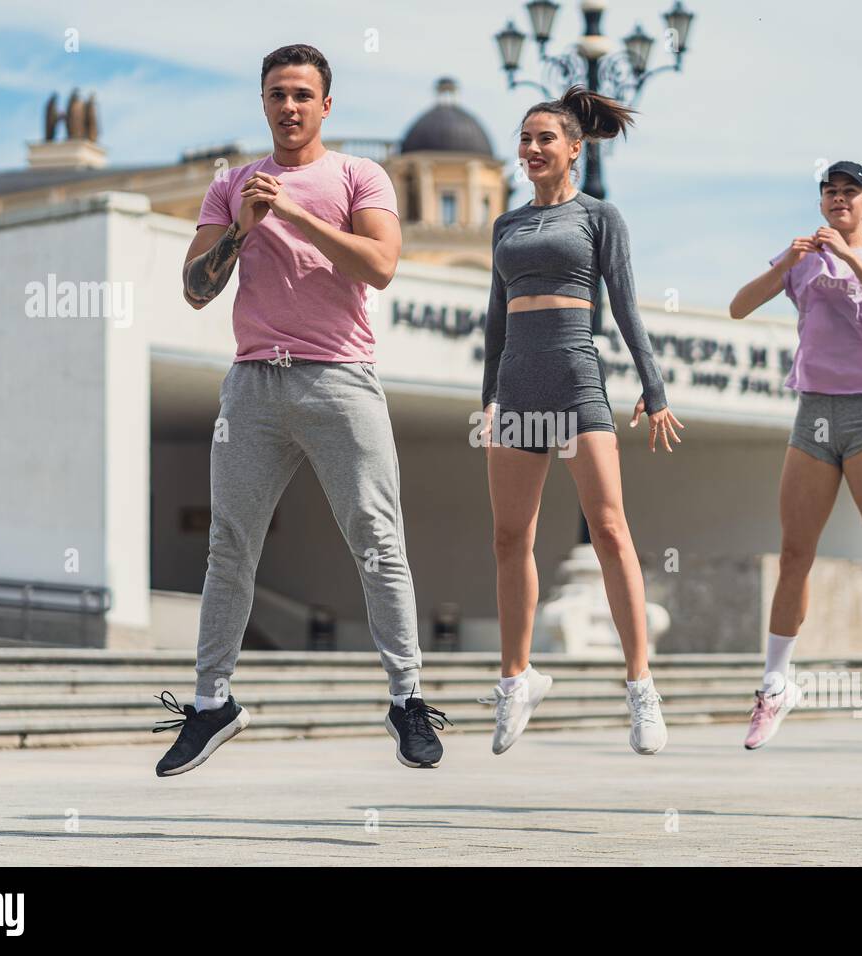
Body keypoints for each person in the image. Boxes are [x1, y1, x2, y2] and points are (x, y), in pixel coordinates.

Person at [155, 44, 448, 776]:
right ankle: (211, 703)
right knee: (229, 545)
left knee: (376, 536)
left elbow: (380, 265)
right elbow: (195, 289)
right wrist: (243, 227)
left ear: (325, 104)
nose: (290, 106)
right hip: (253, 386)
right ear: (263, 103)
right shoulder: (230, 187)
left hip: (340, 380)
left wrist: (294, 215)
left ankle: (407, 698)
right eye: (277, 94)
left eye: (303, 94)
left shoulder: (358, 175)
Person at [478, 86, 685, 756]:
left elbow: (626, 308)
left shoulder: (600, 218)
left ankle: (641, 686)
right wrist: (489, 400)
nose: (533, 149)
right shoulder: (505, 226)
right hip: (517, 387)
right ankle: (516, 680)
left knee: (612, 531)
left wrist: (654, 389)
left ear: (574, 148)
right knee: (512, 539)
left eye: (546, 139)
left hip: (575, 383)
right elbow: (493, 320)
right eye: (526, 139)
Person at [727, 161, 862, 755]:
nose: (839, 199)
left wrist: (849, 257)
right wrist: (790, 265)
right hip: (813, 413)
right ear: (822, 203)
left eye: (850, 192)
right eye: (830, 192)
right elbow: (740, 307)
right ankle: (774, 687)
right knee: (794, 553)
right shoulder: (804, 257)